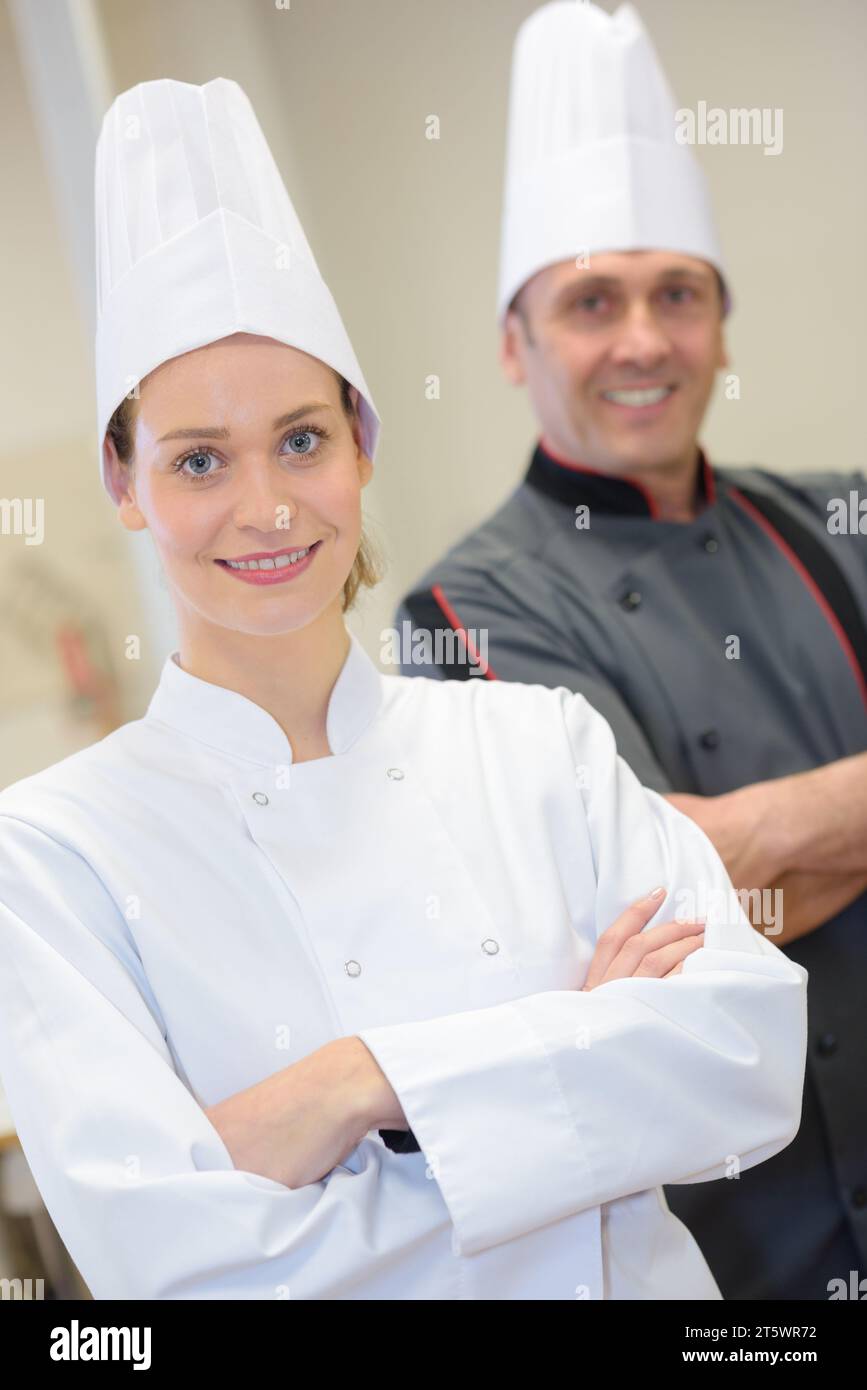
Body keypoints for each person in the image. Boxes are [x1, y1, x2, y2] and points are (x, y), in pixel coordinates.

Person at [0, 76, 806, 1302]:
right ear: (126, 483)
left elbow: (743, 1060)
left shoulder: (544, 744)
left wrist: (350, 1085)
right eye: (199, 459)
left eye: (303, 438)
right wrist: (579, 1055)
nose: (266, 504)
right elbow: (176, 1267)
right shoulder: (52, 853)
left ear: (364, 442)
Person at [396, 1, 867, 1300]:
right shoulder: (460, 611)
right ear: (512, 343)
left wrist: (758, 843)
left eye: (677, 293)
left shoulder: (840, 518)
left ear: (720, 320)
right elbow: (653, 899)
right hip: (731, 1254)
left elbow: (720, 867)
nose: (643, 339)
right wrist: (702, 861)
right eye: (589, 301)